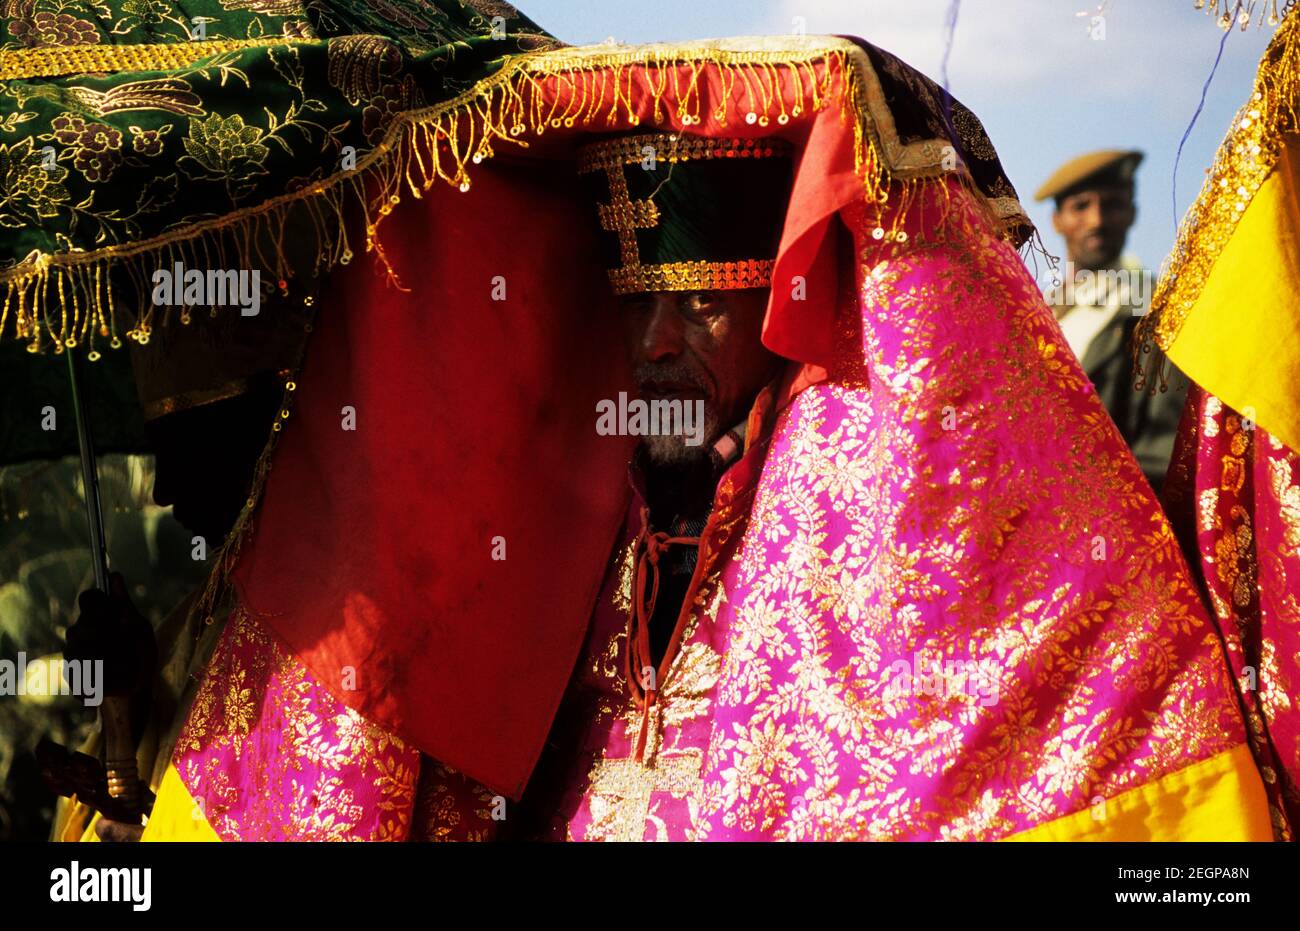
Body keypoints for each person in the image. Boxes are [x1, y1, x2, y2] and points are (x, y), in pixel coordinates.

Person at [138, 36, 1273, 842]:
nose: (660, 342)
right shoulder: (573, 519)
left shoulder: (862, 540)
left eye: (703, 308)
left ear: (780, 315)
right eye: (635, 309)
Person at [51, 309, 306, 843]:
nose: (162, 491)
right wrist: (126, 707)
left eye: (181, 452)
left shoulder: (327, 645)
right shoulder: (184, 629)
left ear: (258, 440)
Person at [1036, 150, 1187, 492]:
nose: (1097, 220)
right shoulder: (1038, 311)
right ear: (1057, 220)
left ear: (1132, 214)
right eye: (1080, 206)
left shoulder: (1153, 310)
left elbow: (1163, 447)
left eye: (1113, 205)